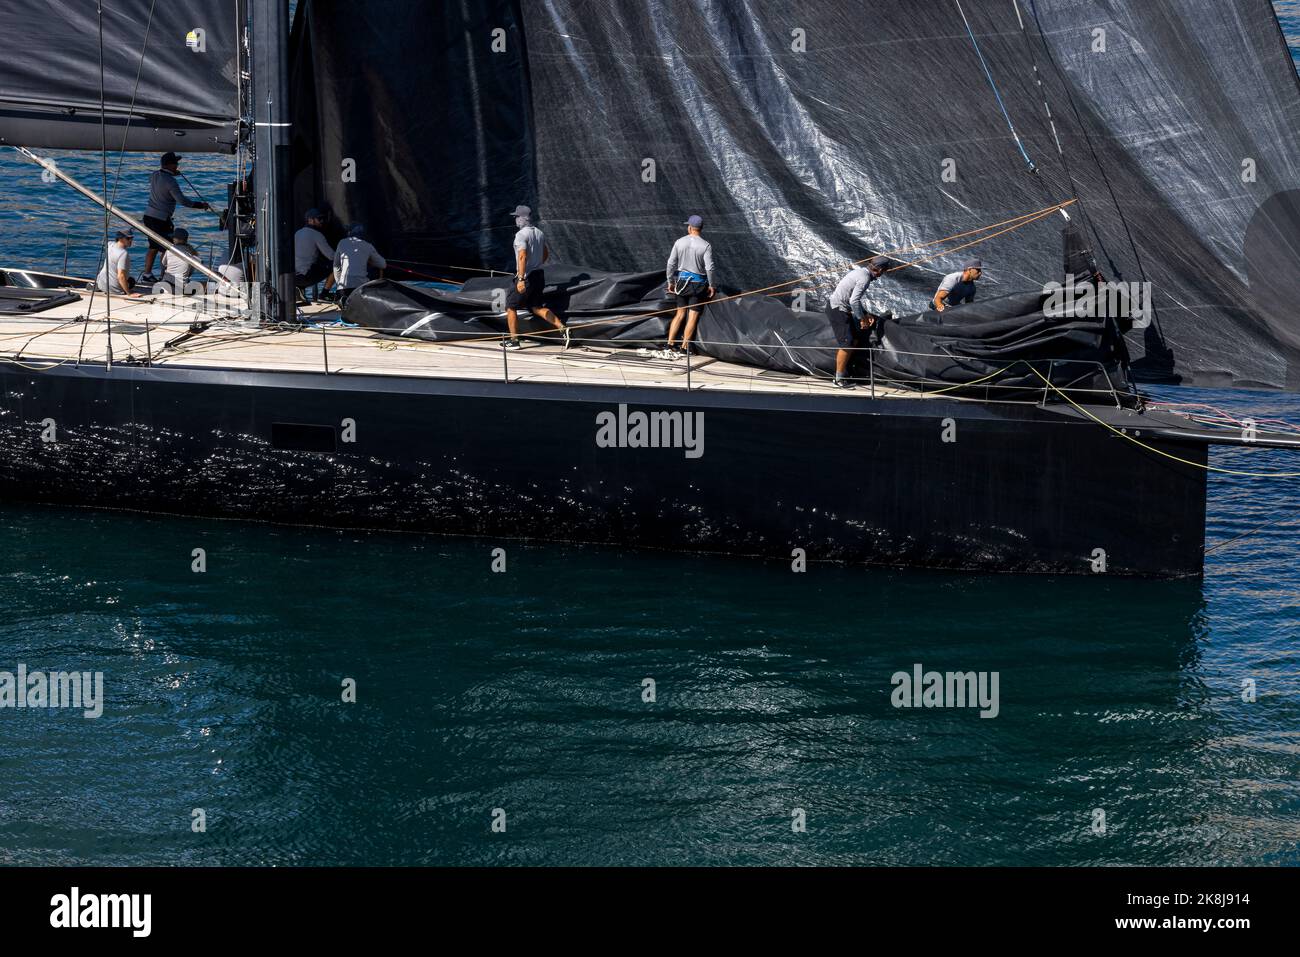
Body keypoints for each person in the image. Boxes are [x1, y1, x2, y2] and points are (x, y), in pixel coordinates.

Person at [503, 205, 568, 350]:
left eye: (516, 217)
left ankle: (514, 341)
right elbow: (545, 254)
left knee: (511, 307)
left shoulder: (521, 235)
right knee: (536, 307)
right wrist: (537, 263)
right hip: (539, 275)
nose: (515, 220)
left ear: (522, 218)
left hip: (526, 276)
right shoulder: (539, 233)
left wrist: (520, 279)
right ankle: (562, 327)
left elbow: (522, 256)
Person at [140, 152, 210, 282]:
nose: (177, 165)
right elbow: (182, 201)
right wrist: (200, 205)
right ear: (169, 165)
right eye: (175, 163)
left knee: (153, 246)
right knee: (168, 248)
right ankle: (164, 277)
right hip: (161, 219)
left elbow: (157, 178)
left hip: (148, 216)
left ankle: (147, 274)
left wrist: (170, 174)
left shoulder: (155, 175)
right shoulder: (171, 181)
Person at [825, 255, 891, 389]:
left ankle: (846, 372)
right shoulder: (864, 278)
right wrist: (862, 319)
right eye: (884, 272)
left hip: (840, 307)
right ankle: (838, 379)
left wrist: (865, 314)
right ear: (879, 270)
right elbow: (853, 301)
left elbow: (853, 299)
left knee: (855, 339)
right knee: (847, 343)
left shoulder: (860, 272)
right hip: (837, 309)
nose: (882, 275)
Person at [662, 214, 716, 358]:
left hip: (681, 283)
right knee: (692, 316)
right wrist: (711, 285)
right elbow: (709, 268)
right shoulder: (705, 245)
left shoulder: (679, 242)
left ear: (690, 227)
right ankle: (684, 347)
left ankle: (669, 344)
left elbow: (670, 263)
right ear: (701, 228)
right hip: (698, 284)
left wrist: (670, 282)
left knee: (680, 314)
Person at [332, 223, 387, 304]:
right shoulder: (368, 246)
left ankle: (343, 298)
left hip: (342, 288)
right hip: (360, 288)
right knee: (377, 269)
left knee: (345, 293)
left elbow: (336, 265)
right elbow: (383, 265)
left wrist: (338, 283)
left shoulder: (341, 242)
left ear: (349, 232)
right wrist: (370, 260)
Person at [294, 208, 336, 300]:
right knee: (337, 265)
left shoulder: (298, 233)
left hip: (293, 278)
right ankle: (324, 294)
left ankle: (300, 293)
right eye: (319, 219)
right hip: (305, 277)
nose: (322, 221)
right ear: (310, 220)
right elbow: (332, 256)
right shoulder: (316, 234)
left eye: (323, 219)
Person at [95, 230, 141, 296]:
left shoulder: (110, 245)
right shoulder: (123, 254)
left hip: (101, 284)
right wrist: (129, 293)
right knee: (131, 281)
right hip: (115, 289)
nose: (131, 241)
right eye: (128, 238)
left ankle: (97, 286)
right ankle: (117, 289)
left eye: (132, 238)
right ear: (120, 239)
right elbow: (121, 276)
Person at [159, 227, 201, 294]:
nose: (172, 239)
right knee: (201, 286)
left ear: (177, 239)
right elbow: (192, 271)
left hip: (165, 285)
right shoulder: (191, 253)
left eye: (174, 238)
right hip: (181, 288)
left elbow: (163, 264)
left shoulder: (169, 250)